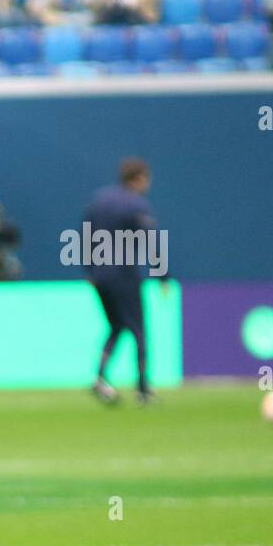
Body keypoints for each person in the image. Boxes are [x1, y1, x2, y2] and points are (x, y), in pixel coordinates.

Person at [82, 158, 163, 406]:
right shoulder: (135, 205)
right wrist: (162, 274)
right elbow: (151, 242)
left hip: (100, 275)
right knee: (138, 329)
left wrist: (89, 272)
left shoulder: (98, 201)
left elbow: (86, 234)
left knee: (116, 325)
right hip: (124, 274)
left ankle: (100, 377)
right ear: (139, 178)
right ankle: (143, 388)